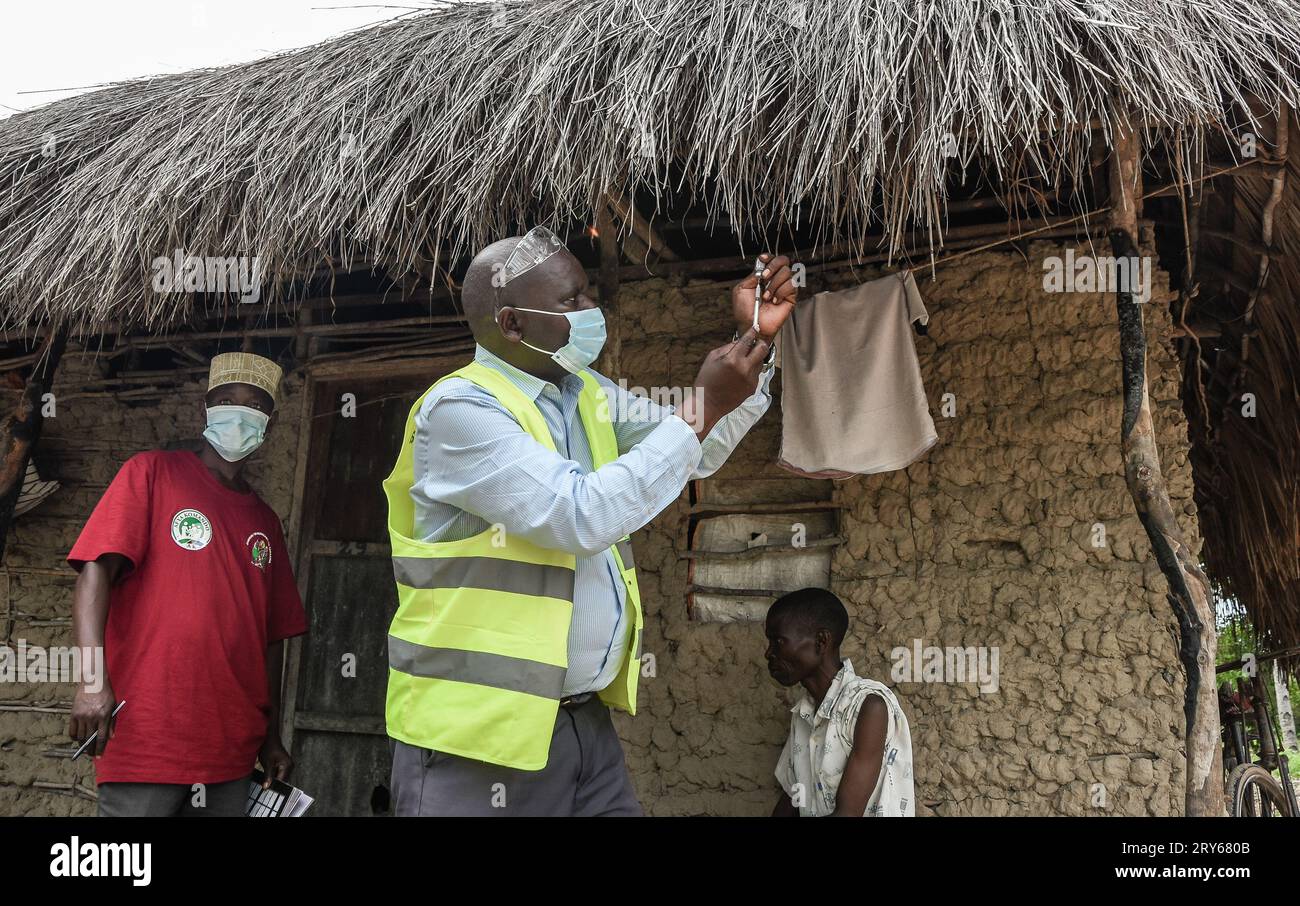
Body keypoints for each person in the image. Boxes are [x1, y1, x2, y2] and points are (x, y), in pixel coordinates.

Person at [385, 226, 799, 816]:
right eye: (571, 300)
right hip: (478, 739)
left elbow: (692, 447)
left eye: (587, 293)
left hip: (582, 726)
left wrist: (752, 337)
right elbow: (581, 515)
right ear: (511, 324)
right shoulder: (460, 412)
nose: (591, 310)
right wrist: (701, 405)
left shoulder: (585, 392)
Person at [67, 352, 308, 817]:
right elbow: (95, 570)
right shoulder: (151, 474)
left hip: (231, 747)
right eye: (226, 401)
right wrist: (93, 682)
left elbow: (273, 637)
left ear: (270, 423)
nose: (238, 413)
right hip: (149, 735)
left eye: (253, 404)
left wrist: (271, 736)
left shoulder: (265, 522)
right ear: (206, 410)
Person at [765, 587, 915, 816]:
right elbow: (794, 797)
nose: (768, 653)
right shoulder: (804, 714)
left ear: (821, 641)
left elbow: (848, 813)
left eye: (778, 641)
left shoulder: (868, 706)